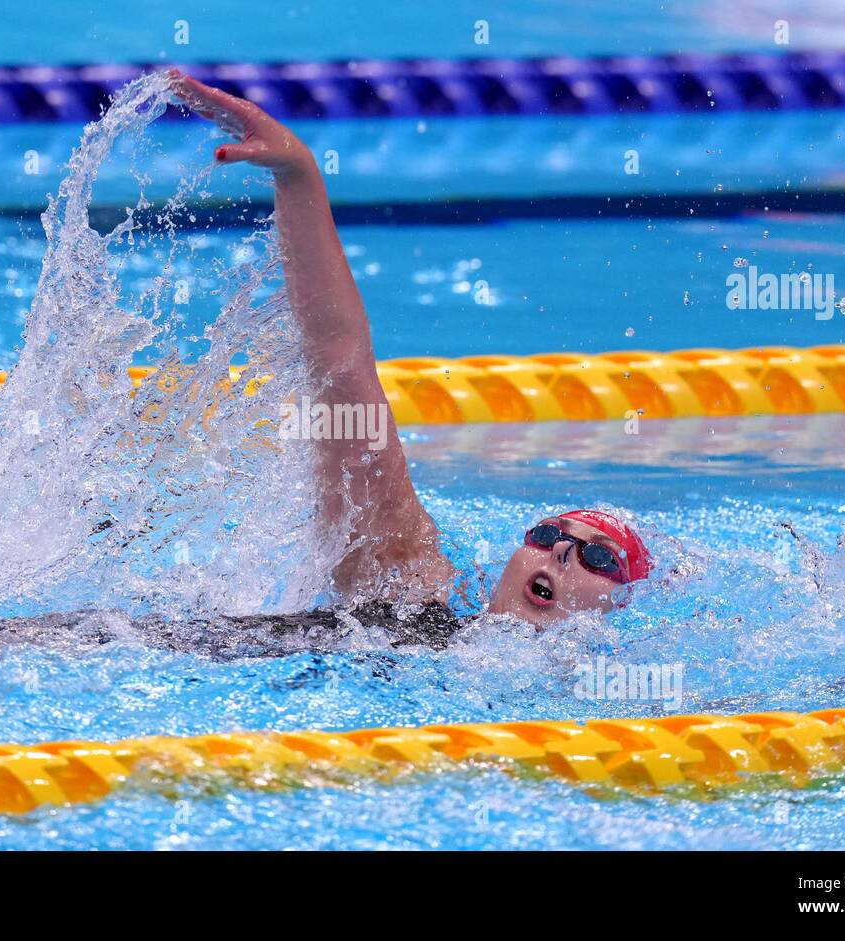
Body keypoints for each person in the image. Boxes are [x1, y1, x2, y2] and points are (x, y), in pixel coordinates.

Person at [169, 71, 654, 631]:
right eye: (547, 536)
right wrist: (298, 175)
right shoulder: (413, 599)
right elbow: (338, 358)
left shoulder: (615, 707)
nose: (562, 553)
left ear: (623, 609)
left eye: (600, 558)